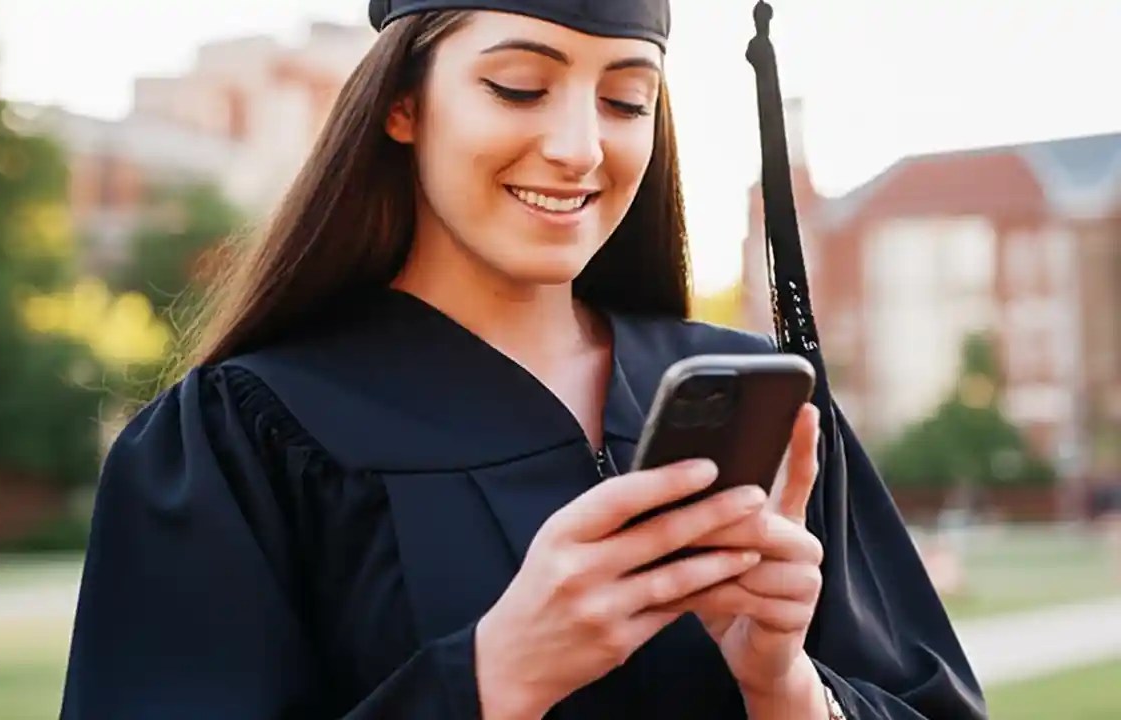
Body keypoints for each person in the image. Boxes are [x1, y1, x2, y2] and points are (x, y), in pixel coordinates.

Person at [59, 1, 986, 718]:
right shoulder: (245, 436)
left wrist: (784, 686)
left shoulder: (760, 409)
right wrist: (491, 677)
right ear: (400, 104)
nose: (581, 147)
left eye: (626, 99)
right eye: (518, 86)